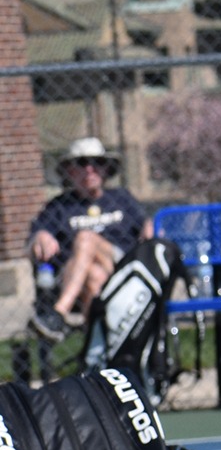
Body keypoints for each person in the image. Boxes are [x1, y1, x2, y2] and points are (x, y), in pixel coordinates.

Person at [27, 138, 149, 341]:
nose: (90, 169)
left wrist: (149, 223)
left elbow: (147, 227)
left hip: (120, 270)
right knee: (93, 275)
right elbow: (32, 243)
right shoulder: (59, 207)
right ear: (70, 171)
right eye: (82, 163)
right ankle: (100, 350)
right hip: (74, 277)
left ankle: (58, 314)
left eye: (97, 163)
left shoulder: (121, 198)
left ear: (105, 169)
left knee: (85, 238)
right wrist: (40, 236)